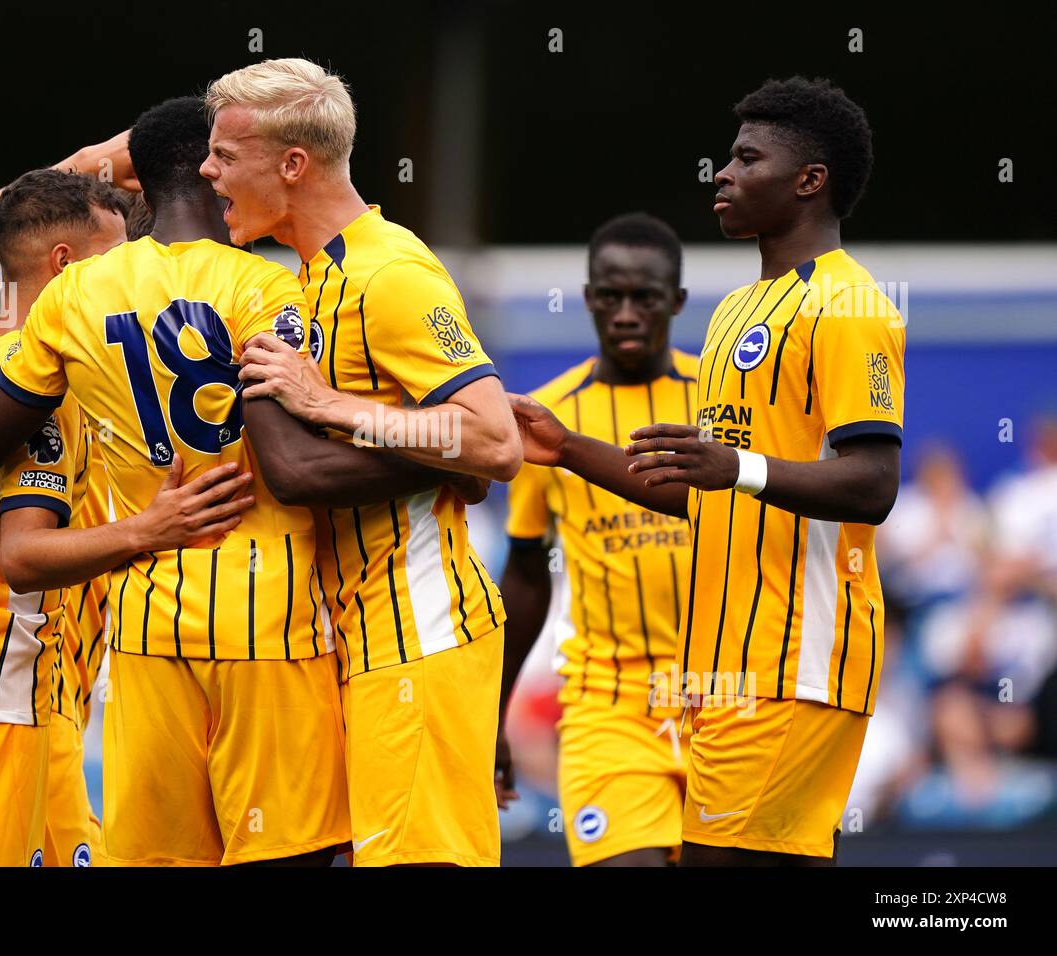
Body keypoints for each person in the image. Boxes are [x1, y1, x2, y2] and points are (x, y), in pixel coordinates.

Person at [0, 97, 475, 865]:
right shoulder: (266, 290)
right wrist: (449, 454)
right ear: (213, 173)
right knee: (284, 855)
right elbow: (294, 471)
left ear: (145, 186)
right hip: (269, 625)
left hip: (146, 628)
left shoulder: (73, 294)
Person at [508, 76, 905, 865]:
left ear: (809, 181)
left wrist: (740, 468)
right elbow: (713, 495)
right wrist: (569, 449)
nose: (721, 174)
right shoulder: (736, 313)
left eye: (745, 158)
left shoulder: (852, 305)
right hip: (723, 672)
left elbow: (874, 484)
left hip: (798, 657)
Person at [0, 145, 250, 865]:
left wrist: (119, 157)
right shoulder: (38, 390)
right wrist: (151, 528)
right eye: (115, 262)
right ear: (66, 267)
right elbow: (25, 558)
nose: (127, 279)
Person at [203, 57, 522, 866]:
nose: (208, 172)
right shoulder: (309, 278)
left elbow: (493, 442)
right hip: (356, 633)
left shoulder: (392, 272)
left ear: (292, 165)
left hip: (420, 626)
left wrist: (331, 405)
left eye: (225, 156)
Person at [498, 212, 696, 866]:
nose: (627, 313)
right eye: (610, 296)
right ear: (588, 299)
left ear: (677, 301)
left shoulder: (726, 404)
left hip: (731, 701)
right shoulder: (545, 424)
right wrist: (492, 714)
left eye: (646, 298)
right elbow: (526, 575)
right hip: (608, 708)